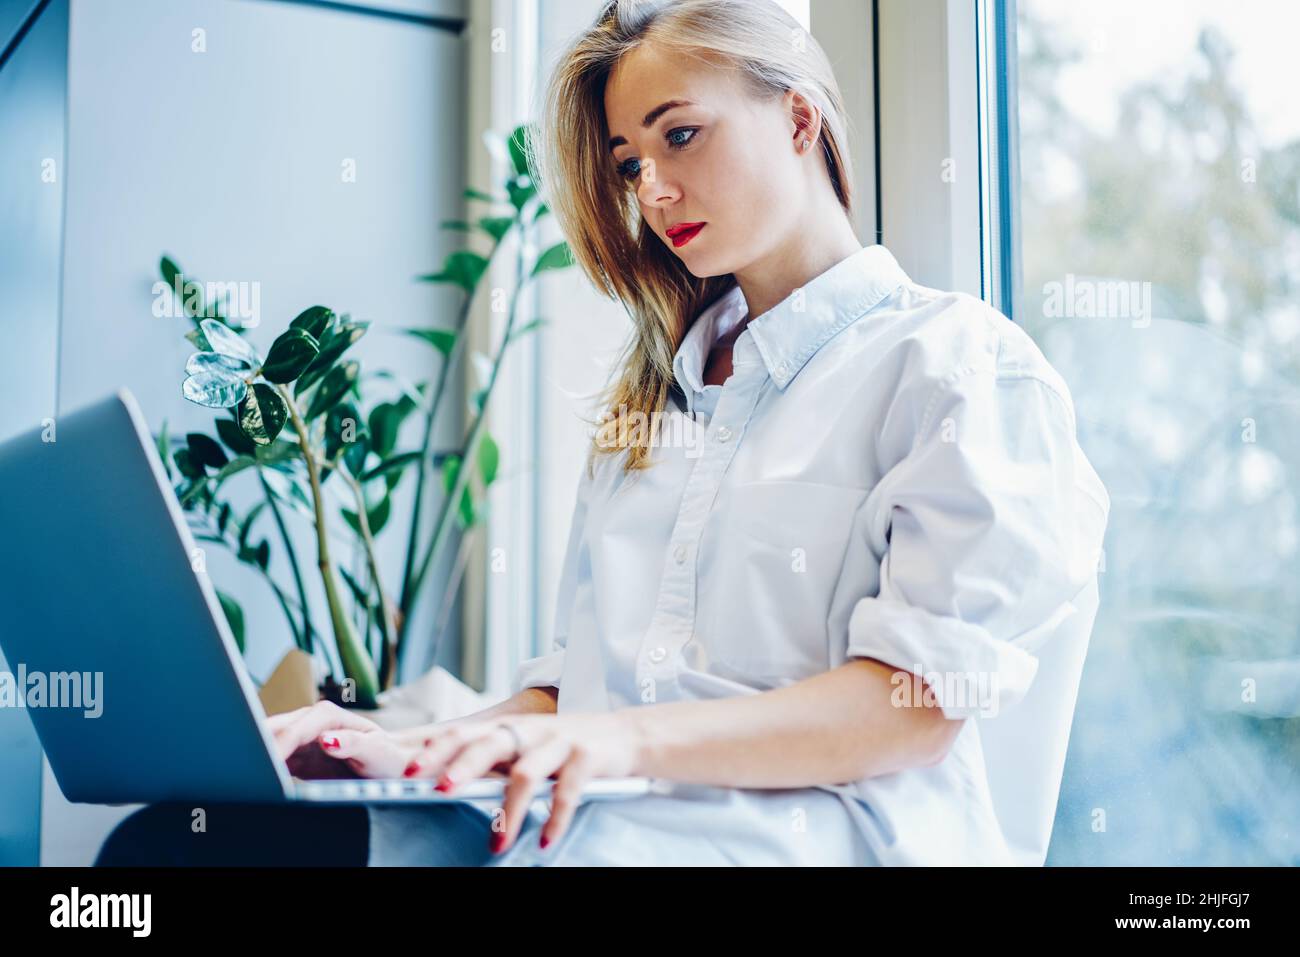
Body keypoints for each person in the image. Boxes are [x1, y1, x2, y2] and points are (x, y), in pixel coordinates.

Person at [99, 0, 1110, 868]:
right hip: (584, 826)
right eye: (629, 164)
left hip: (791, 841)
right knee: (180, 842)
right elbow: (569, 695)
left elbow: (913, 706)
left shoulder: (954, 366)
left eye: (681, 136)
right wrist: (398, 747)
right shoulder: (651, 402)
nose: (652, 191)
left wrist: (619, 742)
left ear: (797, 115)